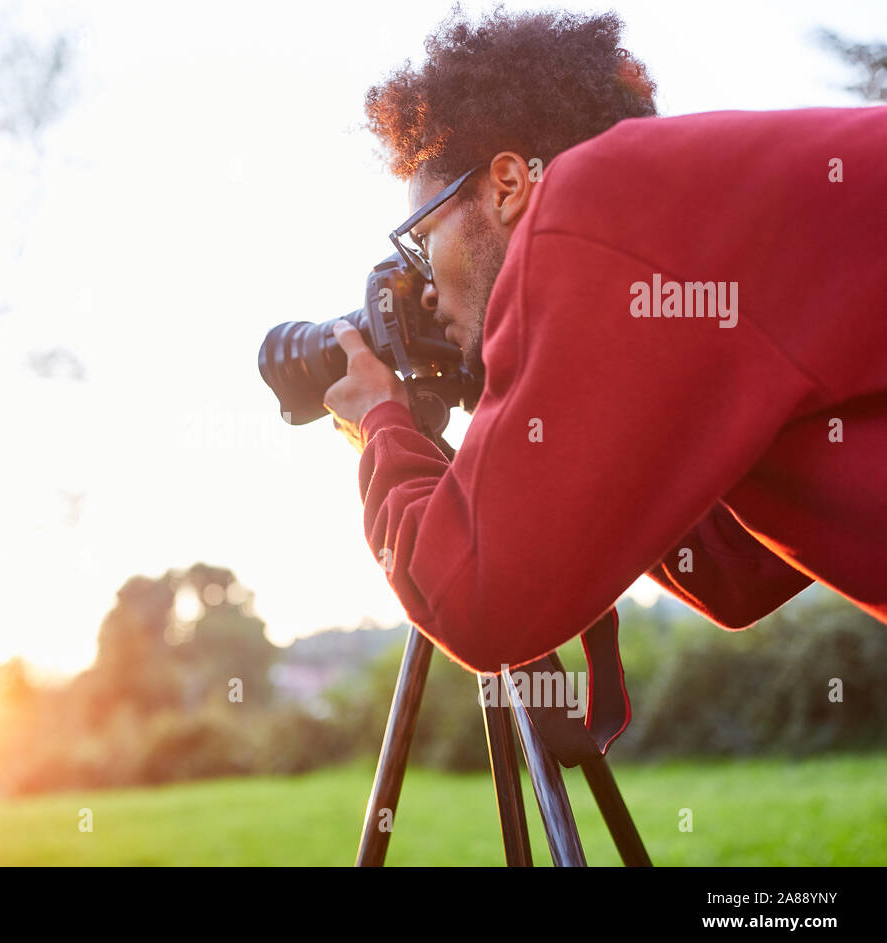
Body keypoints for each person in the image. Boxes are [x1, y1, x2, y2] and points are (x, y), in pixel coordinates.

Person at [323, 6, 887, 675]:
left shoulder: (592, 200)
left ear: (508, 186)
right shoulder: (679, 238)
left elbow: (475, 603)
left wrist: (382, 424)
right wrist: (531, 397)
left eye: (423, 239)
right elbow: (734, 570)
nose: (421, 290)